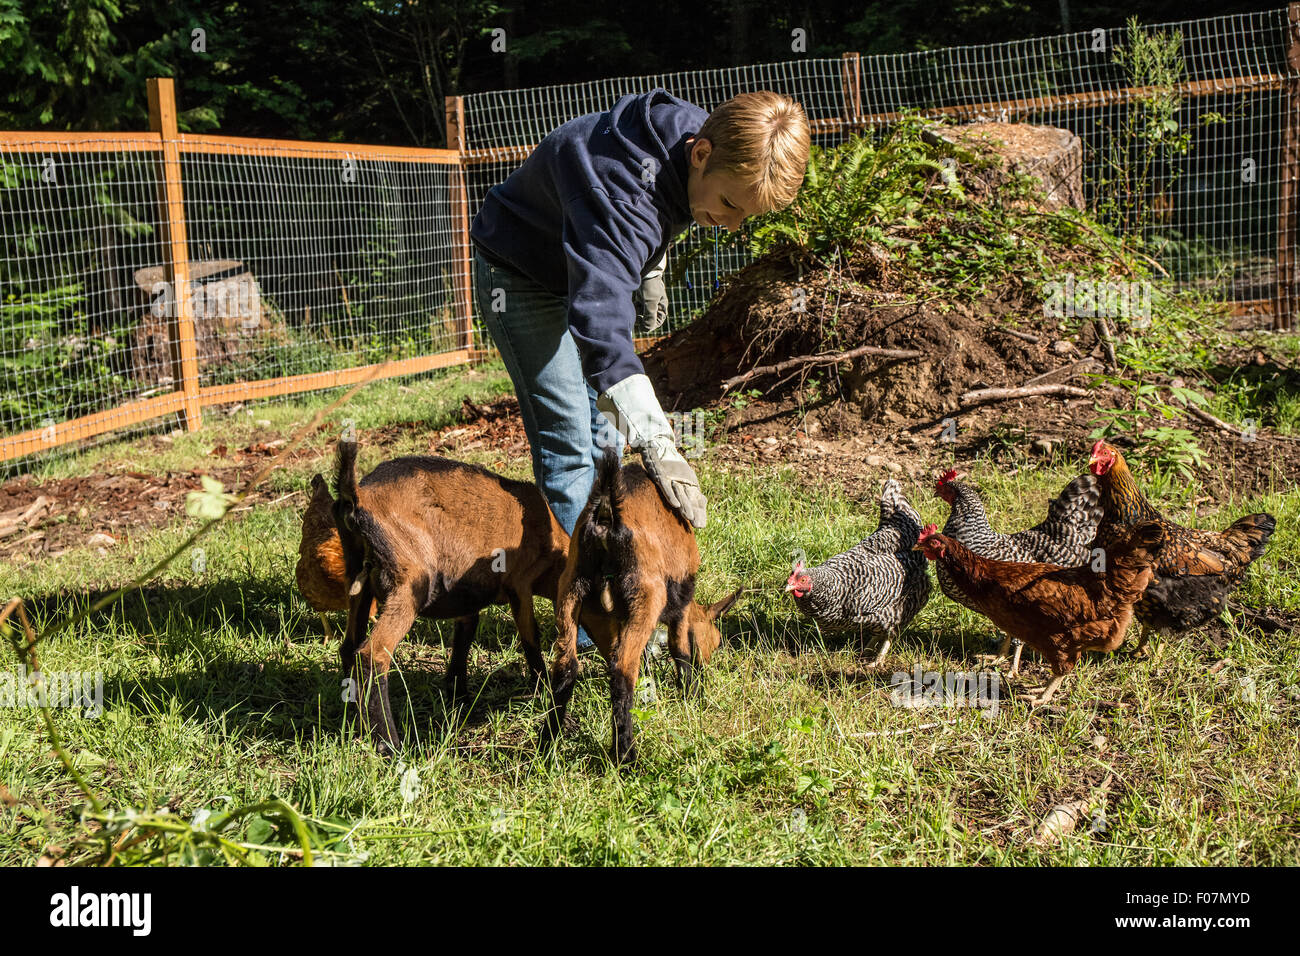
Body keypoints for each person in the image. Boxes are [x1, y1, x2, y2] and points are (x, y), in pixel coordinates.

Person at [470, 89, 810, 650]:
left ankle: (617, 588)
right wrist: (660, 443)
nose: (728, 224)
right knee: (571, 445)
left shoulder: (699, 139)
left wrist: (649, 265)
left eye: (744, 215)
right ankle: (588, 626)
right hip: (523, 273)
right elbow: (599, 323)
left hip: (582, 256)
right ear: (700, 153)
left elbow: (664, 206)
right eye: (729, 205)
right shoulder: (623, 195)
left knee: (606, 439)